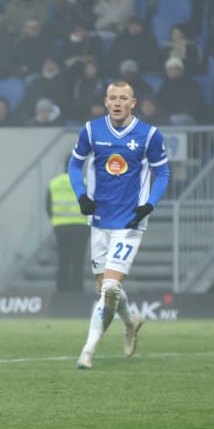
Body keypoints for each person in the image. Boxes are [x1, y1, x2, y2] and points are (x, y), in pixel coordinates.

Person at [68, 81, 171, 369]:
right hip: (100, 219)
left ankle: (87, 351)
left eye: (123, 98)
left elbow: (163, 172)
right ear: (106, 102)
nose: (117, 102)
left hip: (130, 220)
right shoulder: (91, 130)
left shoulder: (149, 135)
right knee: (104, 290)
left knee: (111, 287)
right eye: (112, 97)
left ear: (133, 103)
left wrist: (149, 204)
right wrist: (81, 196)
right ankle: (131, 321)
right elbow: (74, 165)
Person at [46, 161, 88, 293]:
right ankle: (77, 291)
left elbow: (48, 206)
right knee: (78, 261)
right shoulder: (86, 183)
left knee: (63, 259)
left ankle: (62, 291)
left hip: (61, 227)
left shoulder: (54, 183)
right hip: (81, 227)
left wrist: (56, 220)